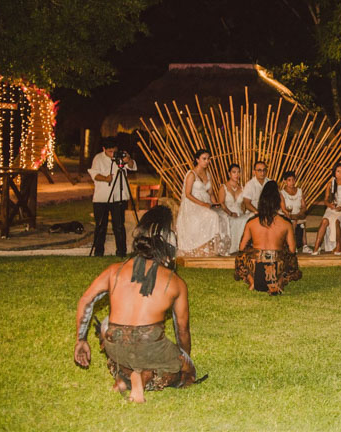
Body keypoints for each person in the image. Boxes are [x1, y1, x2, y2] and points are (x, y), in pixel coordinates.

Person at [74, 207, 196, 403]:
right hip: (149, 344)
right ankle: (142, 377)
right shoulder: (175, 282)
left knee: (109, 328)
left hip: (115, 343)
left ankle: (124, 377)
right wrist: (183, 359)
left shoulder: (115, 270)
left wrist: (81, 340)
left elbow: (86, 300)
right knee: (186, 373)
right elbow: (182, 329)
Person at [235, 181, 302, 295]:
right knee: (291, 258)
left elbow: (241, 247)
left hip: (257, 273)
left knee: (241, 256)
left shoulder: (252, 222)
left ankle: (252, 281)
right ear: (278, 201)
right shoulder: (286, 223)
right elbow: (292, 250)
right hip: (277, 270)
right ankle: (280, 281)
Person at [176, 149, 230, 257]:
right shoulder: (191, 174)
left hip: (207, 203)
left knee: (223, 215)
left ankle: (219, 248)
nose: (207, 161)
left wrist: (216, 204)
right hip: (194, 204)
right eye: (204, 159)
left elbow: (211, 193)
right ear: (197, 160)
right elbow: (187, 194)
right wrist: (203, 204)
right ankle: (206, 249)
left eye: (208, 159)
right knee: (213, 216)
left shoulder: (207, 174)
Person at [89, 137, 137, 257]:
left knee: (119, 225)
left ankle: (121, 252)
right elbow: (94, 174)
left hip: (118, 197)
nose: (112, 154)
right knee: (101, 226)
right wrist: (106, 179)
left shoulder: (120, 156)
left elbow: (132, 166)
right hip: (102, 198)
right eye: (110, 152)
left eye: (114, 151)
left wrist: (128, 159)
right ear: (104, 149)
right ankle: (98, 252)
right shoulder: (98, 158)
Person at [312, 164, 341, 255]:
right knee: (324, 221)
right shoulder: (331, 183)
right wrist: (330, 205)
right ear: (334, 173)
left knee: (336, 221)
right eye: (338, 171)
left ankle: (338, 245)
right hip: (333, 207)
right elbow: (326, 199)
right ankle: (316, 247)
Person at [218, 163, 252, 252]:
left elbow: (246, 203)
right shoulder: (223, 187)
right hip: (226, 212)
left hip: (239, 213)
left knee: (247, 218)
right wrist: (230, 213)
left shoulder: (242, 188)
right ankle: (232, 248)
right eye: (234, 172)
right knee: (234, 221)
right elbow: (221, 203)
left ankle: (242, 246)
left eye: (238, 172)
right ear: (229, 174)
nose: (236, 175)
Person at [279, 170, 310, 254]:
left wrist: (301, 212)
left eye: (293, 180)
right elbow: (283, 209)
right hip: (287, 215)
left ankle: (305, 246)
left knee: (301, 220)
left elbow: (304, 206)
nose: (292, 182)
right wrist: (291, 215)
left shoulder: (299, 191)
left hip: (298, 214)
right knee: (294, 221)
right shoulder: (282, 193)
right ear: (285, 181)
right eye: (289, 180)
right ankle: (292, 245)